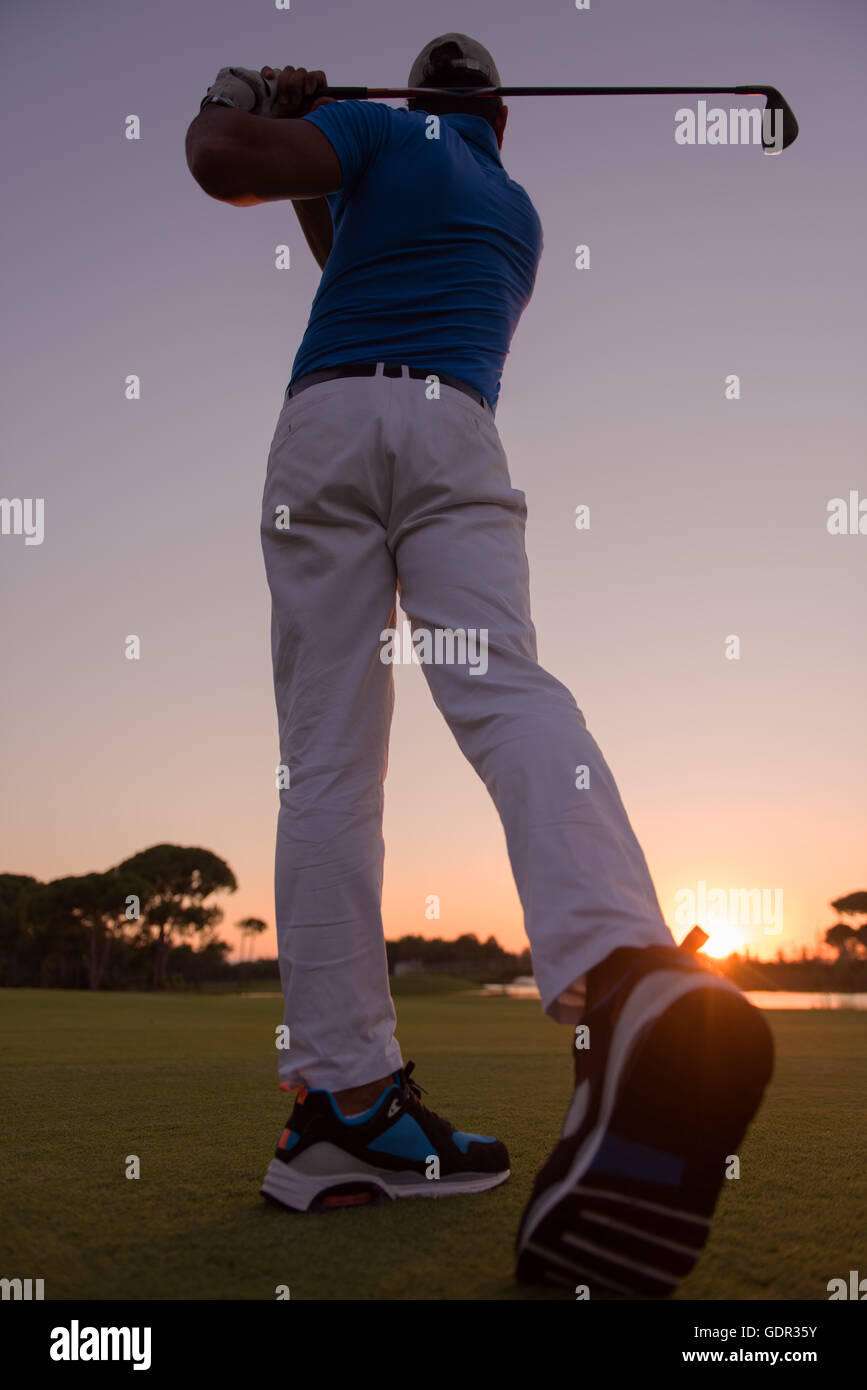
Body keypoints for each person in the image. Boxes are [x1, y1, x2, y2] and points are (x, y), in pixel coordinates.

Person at [185, 33, 773, 1294]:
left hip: (330, 429)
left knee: (329, 765)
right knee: (504, 689)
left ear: (418, 104)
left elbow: (215, 158)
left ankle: (344, 1101)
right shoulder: (514, 210)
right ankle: (623, 974)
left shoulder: (383, 136)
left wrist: (254, 99)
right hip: (455, 435)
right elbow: (352, 244)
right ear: (501, 118)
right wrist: (320, 168)